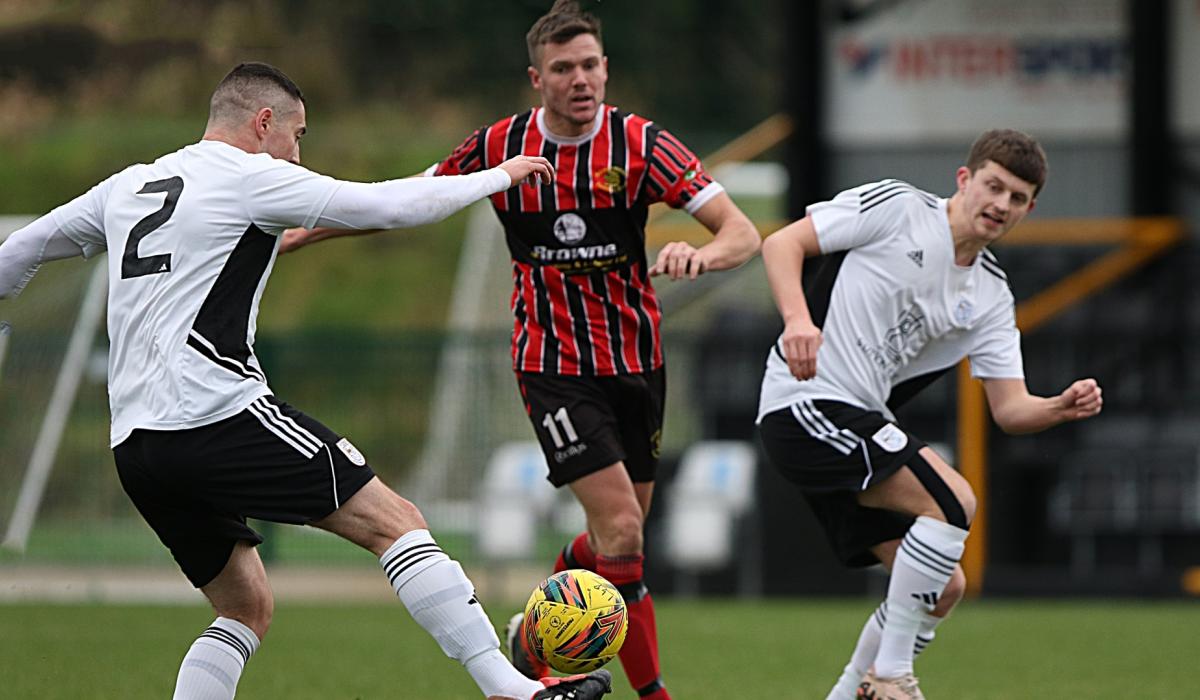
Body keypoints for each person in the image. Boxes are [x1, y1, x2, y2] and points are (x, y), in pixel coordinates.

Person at [0, 62, 614, 700]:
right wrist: (498, 175)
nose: (298, 153)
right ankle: (513, 691)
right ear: (263, 124)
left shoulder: (130, 185)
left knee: (244, 608)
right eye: (297, 135)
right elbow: (392, 206)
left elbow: (19, 251)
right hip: (217, 417)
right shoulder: (250, 176)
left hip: (137, 446)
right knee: (396, 521)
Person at [281, 2, 761, 698]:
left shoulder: (642, 145)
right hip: (554, 365)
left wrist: (703, 252)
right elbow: (409, 199)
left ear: (606, 70)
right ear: (537, 79)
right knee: (624, 532)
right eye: (563, 68)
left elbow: (741, 233)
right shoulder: (500, 145)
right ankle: (654, 693)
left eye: (590, 65)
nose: (580, 79)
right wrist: (307, 230)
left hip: (638, 361)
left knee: (616, 543)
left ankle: (533, 635)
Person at [755, 129, 1103, 700]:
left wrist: (1058, 407)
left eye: (1017, 198)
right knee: (954, 501)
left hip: (859, 421)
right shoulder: (897, 208)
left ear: (1029, 209)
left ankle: (851, 693)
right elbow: (781, 245)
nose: (1001, 205)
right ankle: (891, 676)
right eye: (993, 186)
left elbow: (1011, 410)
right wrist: (798, 320)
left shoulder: (990, 294)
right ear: (964, 180)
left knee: (943, 588)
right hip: (805, 403)